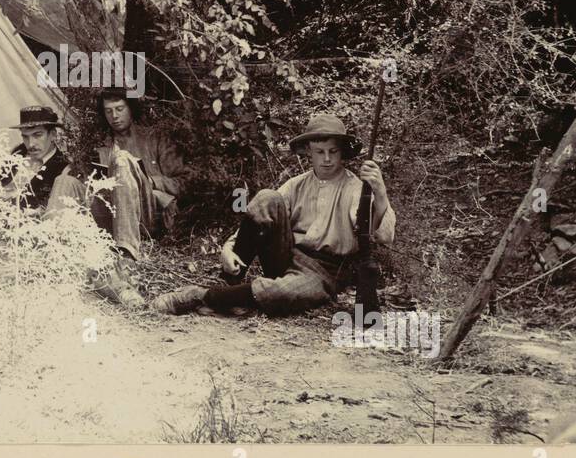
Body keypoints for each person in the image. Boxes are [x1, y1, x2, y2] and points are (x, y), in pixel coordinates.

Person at [152, 113, 395, 316]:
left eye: (333, 151)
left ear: (342, 152)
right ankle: (230, 281)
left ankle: (200, 296)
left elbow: (384, 236)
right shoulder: (297, 184)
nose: (327, 159)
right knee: (268, 196)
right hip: (286, 253)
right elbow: (261, 210)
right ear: (309, 152)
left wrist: (380, 193)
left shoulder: (354, 188)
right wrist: (229, 248)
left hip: (323, 270)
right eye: (320, 151)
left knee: (280, 293)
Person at [83, 89, 188, 260]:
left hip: (149, 213)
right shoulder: (102, 145)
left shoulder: (155, 138)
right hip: (111, 214)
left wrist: (150, 181)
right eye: (108, 111)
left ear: (131, 108)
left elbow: (183, 182)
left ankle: (126, 251)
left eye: (119, 109)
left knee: (122, 160)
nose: (114, 116)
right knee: (66, 180)